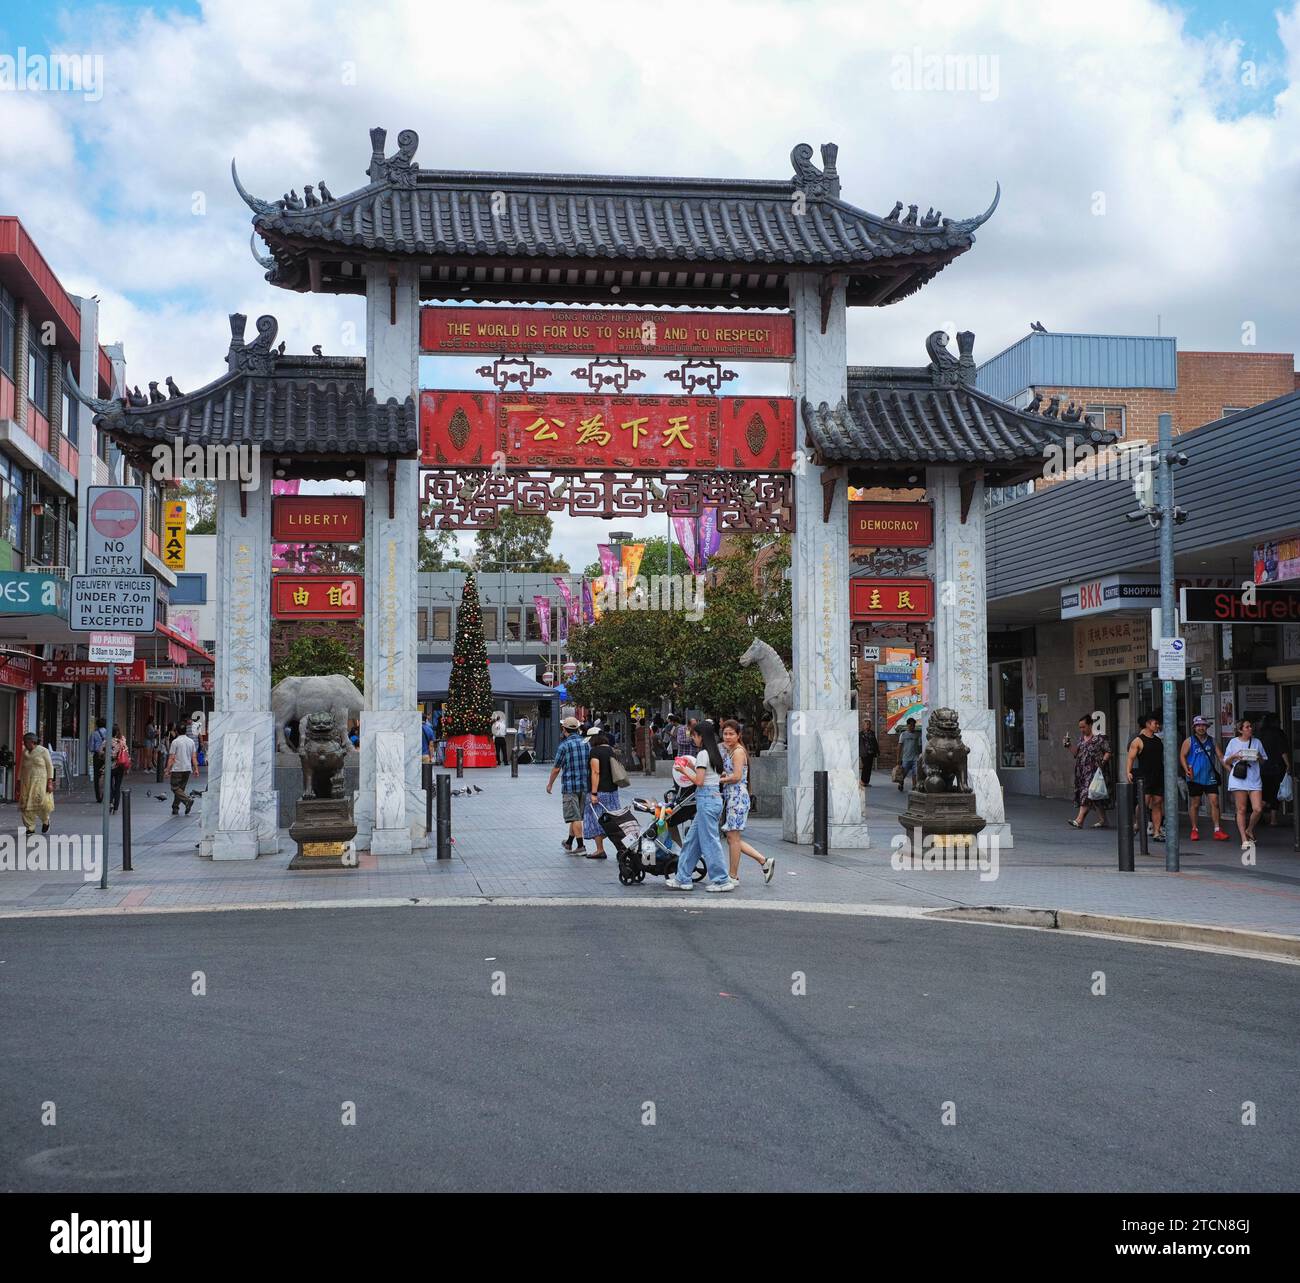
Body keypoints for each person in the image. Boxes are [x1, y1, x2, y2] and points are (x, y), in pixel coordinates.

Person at [664, 720, 734, 891]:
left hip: (706, 799)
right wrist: (691, 766)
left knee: (709, 841)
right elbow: (709, 775)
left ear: (701, 736)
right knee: (692, 841)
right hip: (712, 798)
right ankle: (683, 877)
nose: (693, 739)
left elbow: (700, 781)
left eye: (694, 736)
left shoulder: (703, 754)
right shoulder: (714, 752)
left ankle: (722, 880)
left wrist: (683, 771)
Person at [719, 719, 774, 884]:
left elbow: (736, 777)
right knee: (731, 837)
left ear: (738, 735)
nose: (727, 737)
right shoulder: (732, 750)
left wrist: (720, 780)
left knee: (733, 837)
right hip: (733, 796)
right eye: (725, 733)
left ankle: (733, 875)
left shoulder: (738, 752)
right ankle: (763, 861)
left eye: (731, 734)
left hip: (737, 797)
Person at [1179, 716, 1229, 841]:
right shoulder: (1189, 741)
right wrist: (1186, 769)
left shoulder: (1212, 741)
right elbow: (1182, 756)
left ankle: (1217, 830)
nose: (1201, 728)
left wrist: (1231, 769)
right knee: (1195, 804)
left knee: (1215, 802)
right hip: (1194, 777)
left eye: (1203, 725)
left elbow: (1220, 756)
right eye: (1198, 725)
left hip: (1210, 776)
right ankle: (1194, 829)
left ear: (1207, 727)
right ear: (1194, 727)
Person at [546, 716, 590, 854]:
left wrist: (550, 784)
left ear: (564, 729)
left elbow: (556, 768)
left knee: (574, 817)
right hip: (584, 786)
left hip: (570, 786)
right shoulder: (586, 744)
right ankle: (569, 843)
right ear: (577, 728)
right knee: (576, 815)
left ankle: (581, 846)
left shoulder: (564, 746)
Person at [1223, 718, 1267, 853]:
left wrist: (1258, 756)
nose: (1250, 729)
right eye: (1247, 727)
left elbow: (1263, 761)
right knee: (1241, 809)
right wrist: (1235, 756)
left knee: (1258, 808)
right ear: (1240, 730)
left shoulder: (1257, 742)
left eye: (1250, 726)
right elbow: (1226, 760)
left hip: (1254, 779)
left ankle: (1249, 829)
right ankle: (1244, 838)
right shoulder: (1233, 742)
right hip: (1239, 779)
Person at [1065, 714, 1112, 829]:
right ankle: (1103, 820)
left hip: (1095, 771)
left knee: (1087, 793)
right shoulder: (1081, 739)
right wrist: (1069, 746)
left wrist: (1103, 762)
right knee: (1095, 796)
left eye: (1084, 727)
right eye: (1080, 727)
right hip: (1082, 772)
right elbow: (1077, 754)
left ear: (1090, 725)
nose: (1082, 730)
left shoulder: (1100, 738)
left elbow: (1108, 751)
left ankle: (1079, 820)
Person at [1125, 712, 1165, 842]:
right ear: (1148, 724)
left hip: (1158, 774)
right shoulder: (1138, 740)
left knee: (1157, 803)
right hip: (1144, 775)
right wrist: (1128, 772)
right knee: (1144, 803)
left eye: (1158, 723)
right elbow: (1130, 758)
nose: (1157, 726)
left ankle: (1157, 831)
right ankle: (1137, 823)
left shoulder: (1158, 740)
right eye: (1155, 723)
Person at [582, 729, 620, 860]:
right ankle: (622, 849)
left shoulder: (595, 751)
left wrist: (593, 793)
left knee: (595, 819)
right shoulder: (611, 751)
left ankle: (600, 849)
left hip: (600, 791)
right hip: (613, 791)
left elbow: (596, 772)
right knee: (614, 820)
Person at [1256, 712, 1293, 826]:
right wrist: (1288, 764)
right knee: (1275, 793)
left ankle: (1258, 815)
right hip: (1276, 767)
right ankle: (1273, 819)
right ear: (1275, 722)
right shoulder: (1278, 733)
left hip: (1262, 767)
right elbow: (1283, 750)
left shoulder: (1259, 734)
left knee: (1264, 793)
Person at [17, 732, 54, 836]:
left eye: (26, 742)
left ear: (32, 741)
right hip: (26, 782)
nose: (24, 744)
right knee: (25, 805)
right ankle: (30, 827)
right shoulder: (25, 752)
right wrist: (18, 781)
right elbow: (21, 767)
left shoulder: (43, 751)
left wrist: (50, 782)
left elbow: (50, 767)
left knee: (41, 804)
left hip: (40, 783)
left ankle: (45, 821)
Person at [165, 723, 198, 815]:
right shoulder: (191, 741)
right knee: (180, 790)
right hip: (187, 768)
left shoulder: (175, 742)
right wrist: (196, 769)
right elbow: (194, 757)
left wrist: (167, 770)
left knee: (175, 788)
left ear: (177, 731)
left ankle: (187, 800)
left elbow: (171, 758)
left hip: (177, 769)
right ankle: (175, 808)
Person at [108, 724, 129, 814]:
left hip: (109, 767)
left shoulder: (107, 741)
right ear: (117, 732)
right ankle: (116, 808)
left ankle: (110, 803)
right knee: (117, 787)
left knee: (109, 786)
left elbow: (100, 752)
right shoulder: (122, 743)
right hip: (120, 767)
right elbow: (126, 754)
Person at [897, 718, 922, 791]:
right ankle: (901, 783)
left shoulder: (918, 735)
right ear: (907, 725)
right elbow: (899, 746)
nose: (912, 727)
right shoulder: (903, 734)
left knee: (915, 773)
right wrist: (898, 758)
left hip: (915, 758)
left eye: (913, 725)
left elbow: (920, 746)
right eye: (911, 725)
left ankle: (914, 786)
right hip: (906, 758)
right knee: (903, 773)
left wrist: (920, 756)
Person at [88, 717, 108, 803]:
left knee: (97, 776)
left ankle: (99, 797)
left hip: (97, 756)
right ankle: (107, 795)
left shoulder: (94, 734)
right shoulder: (109, 733)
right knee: (107, 775)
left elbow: (91, 747)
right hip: (107, 756)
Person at [859, 718, 879, 786]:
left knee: (869, 767)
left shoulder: (872, 733)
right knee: (865, 767)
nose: (868, 725)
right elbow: (859, 743)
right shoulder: (860, 734)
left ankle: (866, 782)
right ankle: (862, 781)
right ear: (863, 725)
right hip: (864, 753)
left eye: (869, 724)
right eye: (867, 724)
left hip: (871, 752)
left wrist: (877, 751)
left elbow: (875, 742)